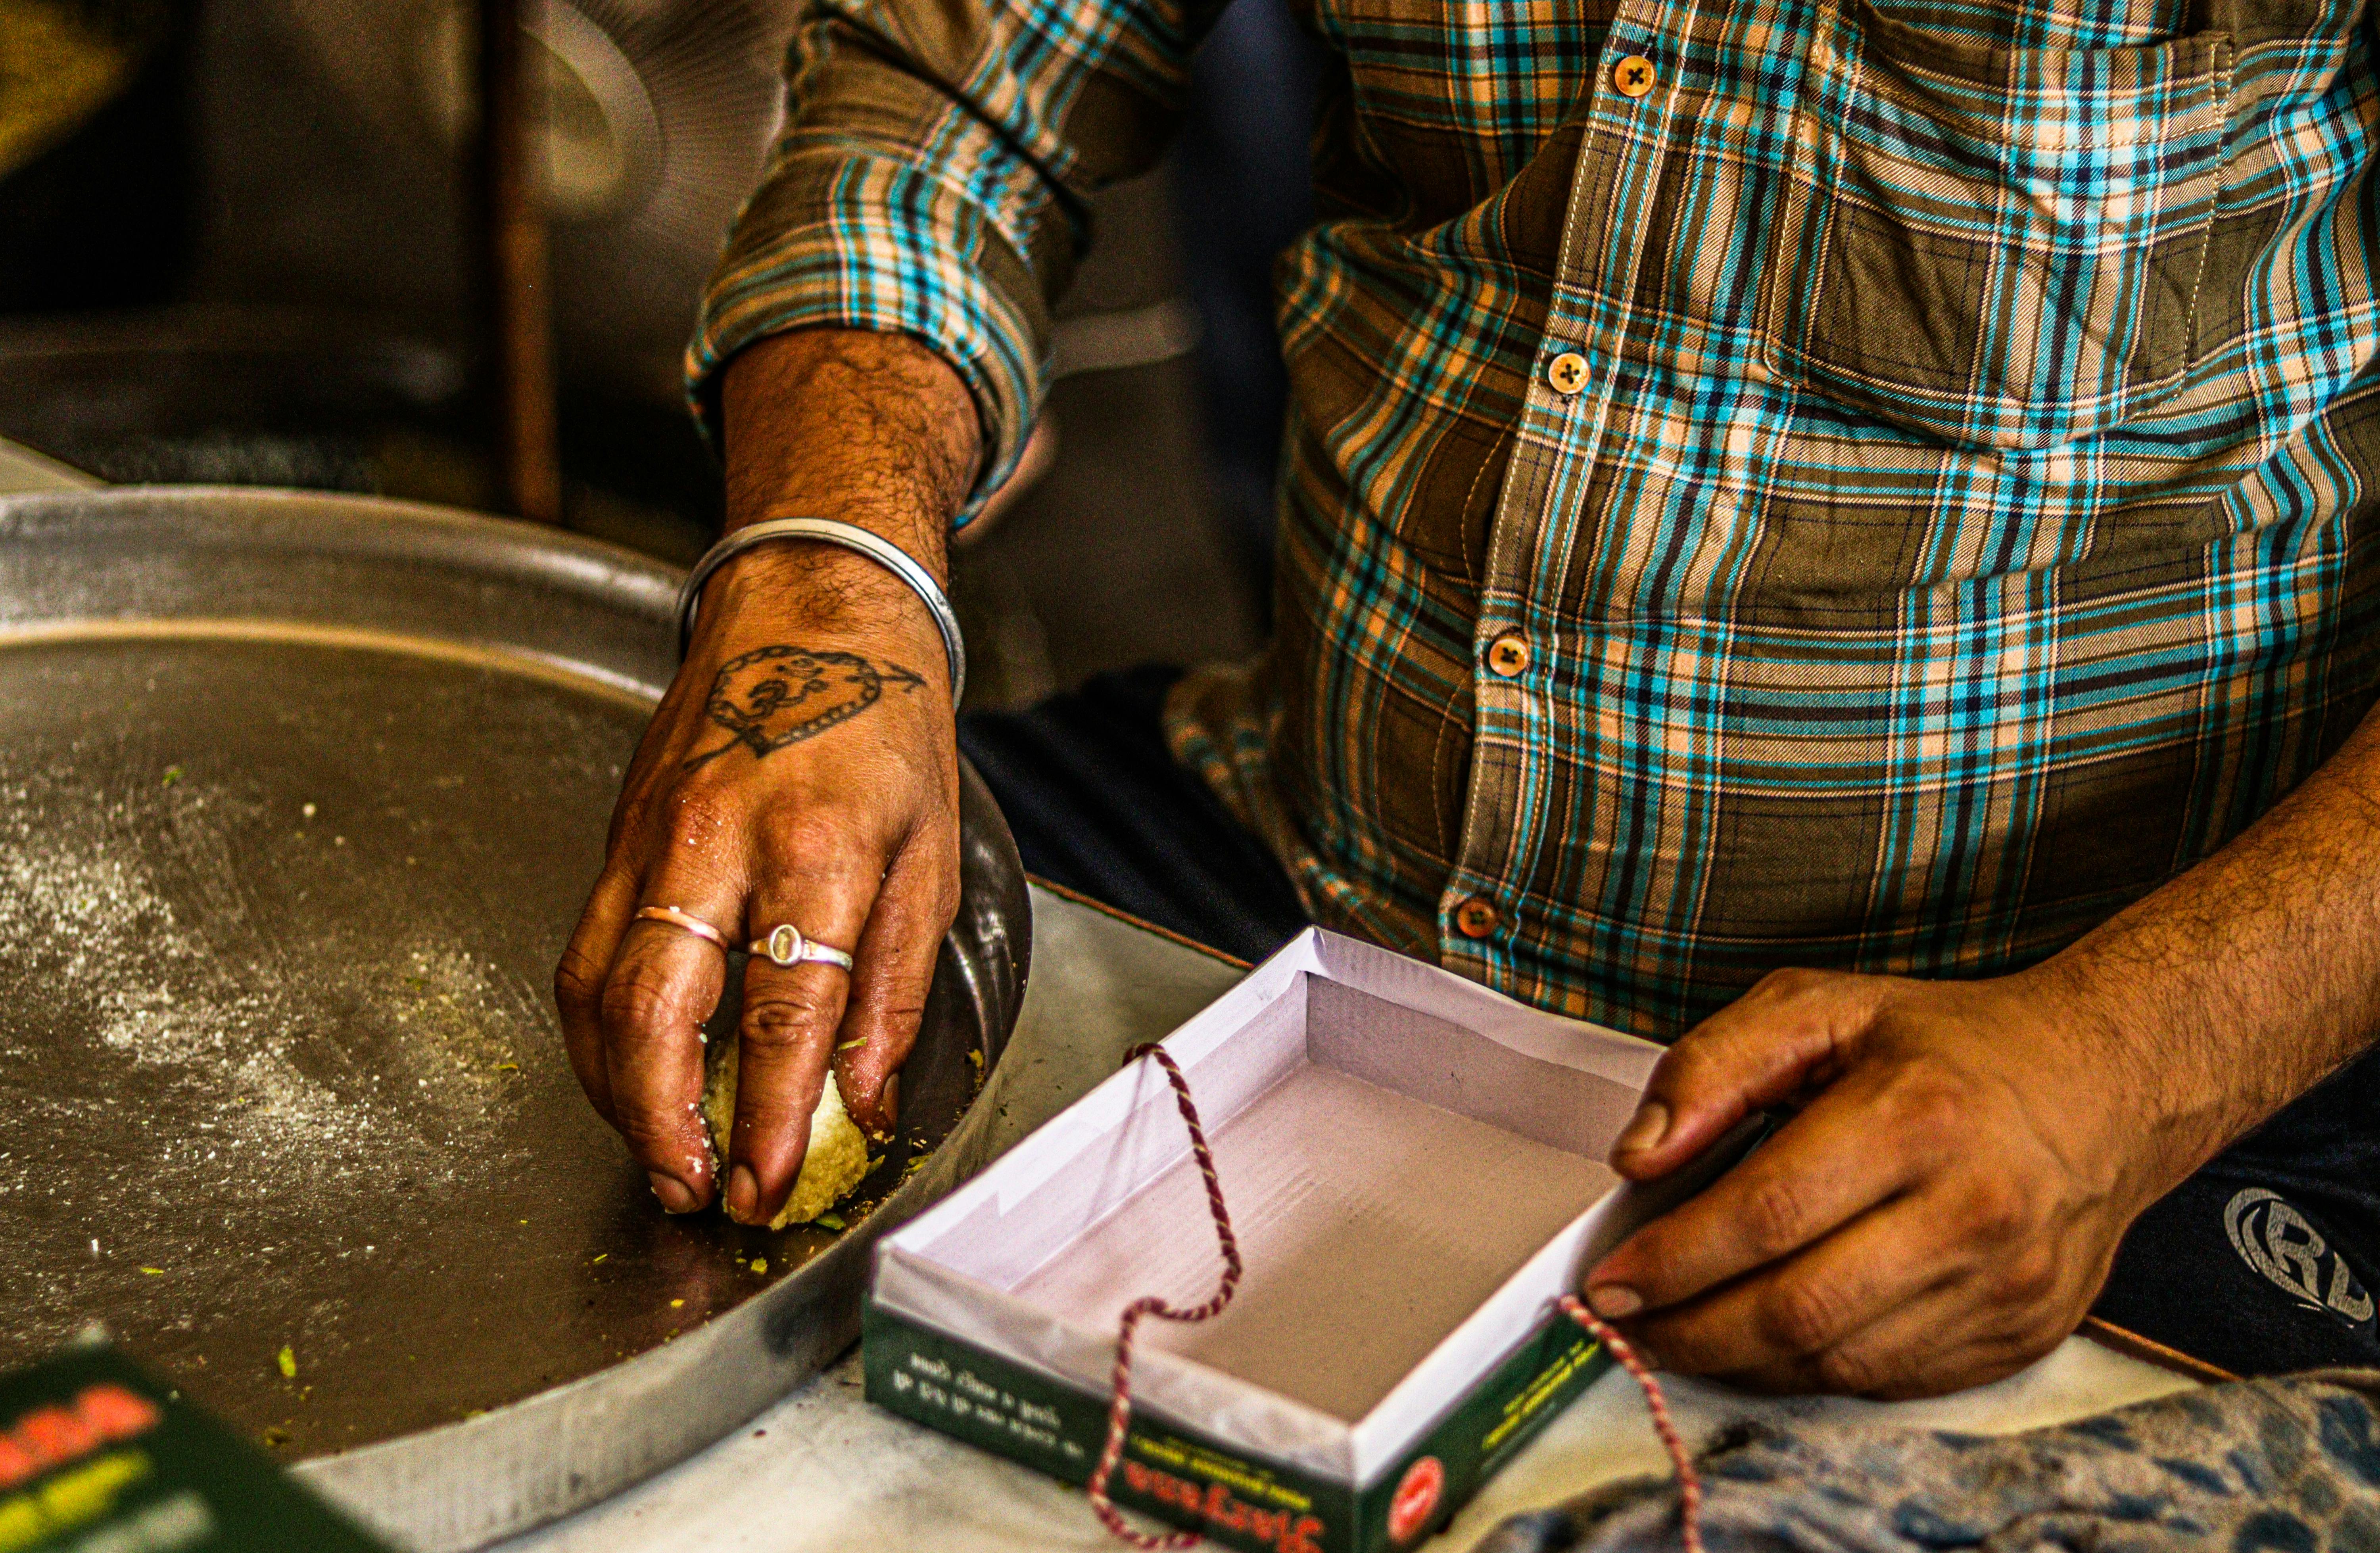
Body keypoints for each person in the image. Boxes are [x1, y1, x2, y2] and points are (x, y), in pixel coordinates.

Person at [554, 0, 2380, 1395]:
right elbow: (950, 81)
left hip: (2099, 1034)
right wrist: (832, 582)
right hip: (1298, 857)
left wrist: (2137, 1068)